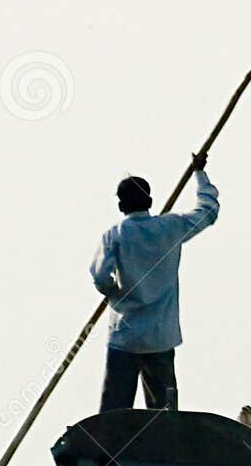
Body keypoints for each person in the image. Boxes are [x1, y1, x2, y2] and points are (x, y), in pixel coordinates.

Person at [89, 152, 219, 412]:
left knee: (114, 414)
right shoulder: (170, 227)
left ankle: (111, 450)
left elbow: (100, 276)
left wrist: (114, 294)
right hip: (161, 336)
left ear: (121, 204)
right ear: (148, 199)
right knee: (163, 416)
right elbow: (208, 212)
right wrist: (200, 174)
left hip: (124, 336)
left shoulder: (115, 235)